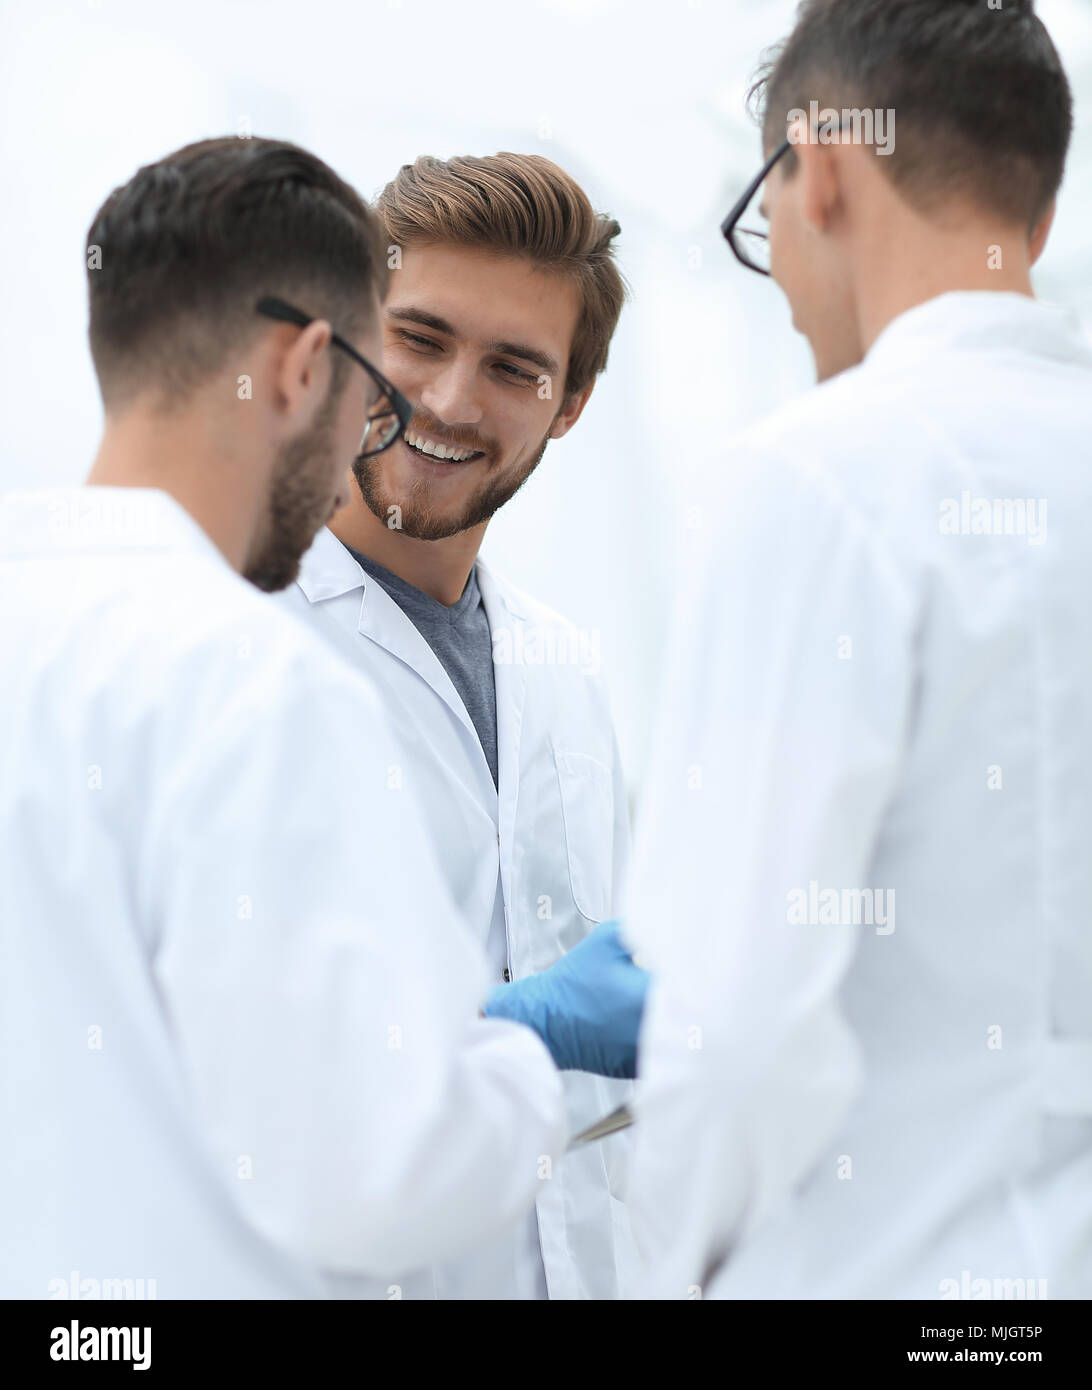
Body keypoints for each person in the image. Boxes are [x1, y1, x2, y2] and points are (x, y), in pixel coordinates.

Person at [0, 135, 603, 1298]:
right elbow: (374, 1167)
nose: (409, 416)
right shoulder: (254, 670)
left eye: (514, 368)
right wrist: (536, 1046)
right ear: (301, 368)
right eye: (386, 376)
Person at [618, 0, 1092, 1297]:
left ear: (817, 173)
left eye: (760, 226)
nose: (777, 300)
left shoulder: (821, 480)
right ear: (1036, 218)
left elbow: (737, 1028)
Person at [271, 152, 640, 1299]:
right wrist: (513, 1030)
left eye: (515, 368)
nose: (447, 400)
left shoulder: (566, 674)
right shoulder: (238, 645)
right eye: (419, 338)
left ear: (569, 404)